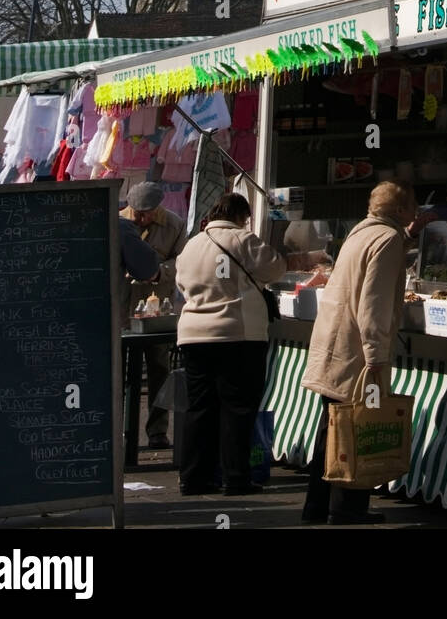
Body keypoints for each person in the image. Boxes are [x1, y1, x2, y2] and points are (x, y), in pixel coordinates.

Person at [174, 191, 329, 496]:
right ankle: (236, 477)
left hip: (193, 335)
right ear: (241, 217)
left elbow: (182, 284)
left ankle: (193, 478)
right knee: (237, 408)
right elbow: (274, 269)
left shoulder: (191, 245)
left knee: (200, 408)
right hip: (237, 335)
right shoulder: (243, 240)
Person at [301, 179, 417, 526]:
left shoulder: (360, 232)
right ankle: (348, 508)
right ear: (399, 210)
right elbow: (374, 303)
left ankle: (317, 507)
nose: (416, 212)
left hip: (333, 343)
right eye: (413, 206)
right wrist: (376, 355)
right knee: (357, 428)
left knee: (332, 427)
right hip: (356, 352)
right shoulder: (388, 238)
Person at [120, 182, 188, 449]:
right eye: (136, 212)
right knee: (118, 369)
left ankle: (158, 430)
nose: (140, 218)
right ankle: (117, 428)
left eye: (145, 213)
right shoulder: (118, 221)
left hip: (155, 305)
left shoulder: (174, 225)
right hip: (122, 305)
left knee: (159, 367)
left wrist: (161, 272)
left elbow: (182, 261)